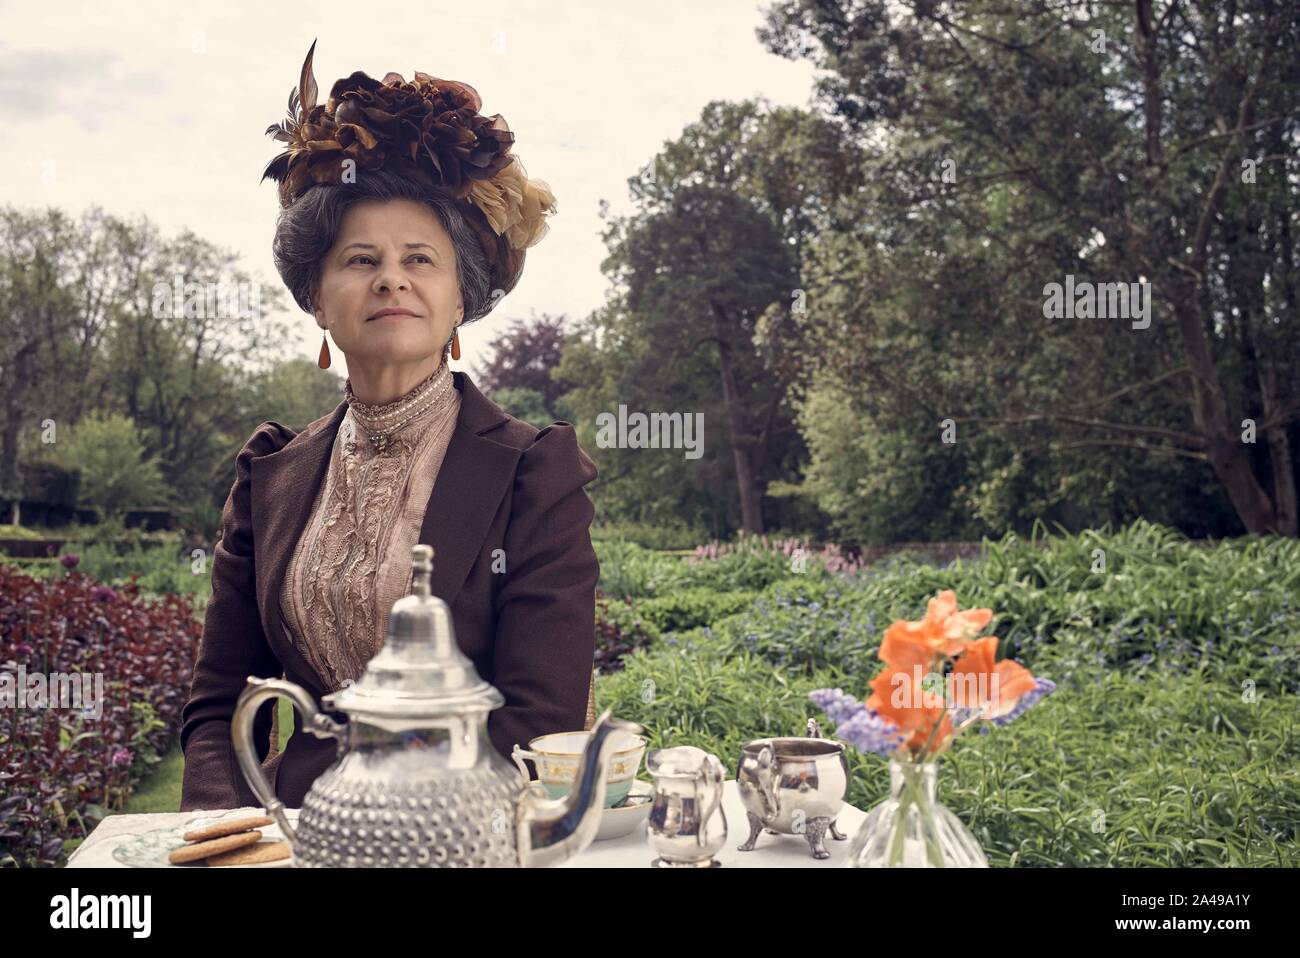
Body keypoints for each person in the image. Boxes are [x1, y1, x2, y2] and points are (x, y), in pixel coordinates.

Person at [179, 40, 597, 811]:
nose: (392, 279)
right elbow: (217, 709)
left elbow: (540, 722)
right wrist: (227, 838)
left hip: (463, 842)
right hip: (292, 842)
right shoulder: (268, 474)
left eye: (421, 260)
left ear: (461, 299)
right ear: (318, 297)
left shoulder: (534, 474)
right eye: (360, 259)